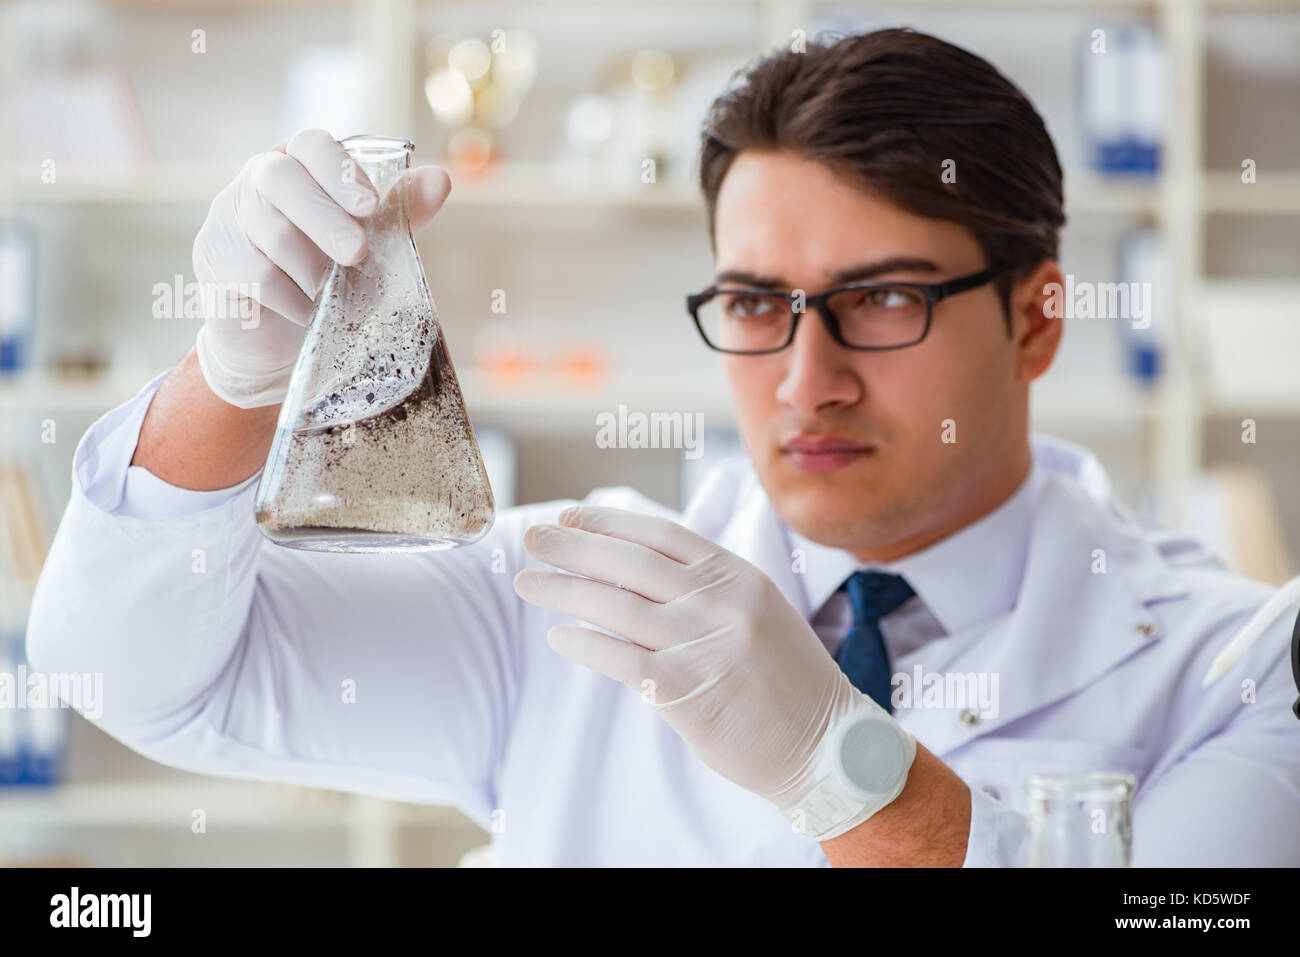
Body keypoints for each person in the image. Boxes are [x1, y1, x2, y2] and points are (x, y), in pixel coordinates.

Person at [27, 28, 1300, 866]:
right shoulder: (556, 600)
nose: (811, 379)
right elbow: (140, 678)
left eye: (882, 299)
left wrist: (845, 772)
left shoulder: (1238, 668)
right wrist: (234, 378)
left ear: (1035, 319)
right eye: (756, 304)